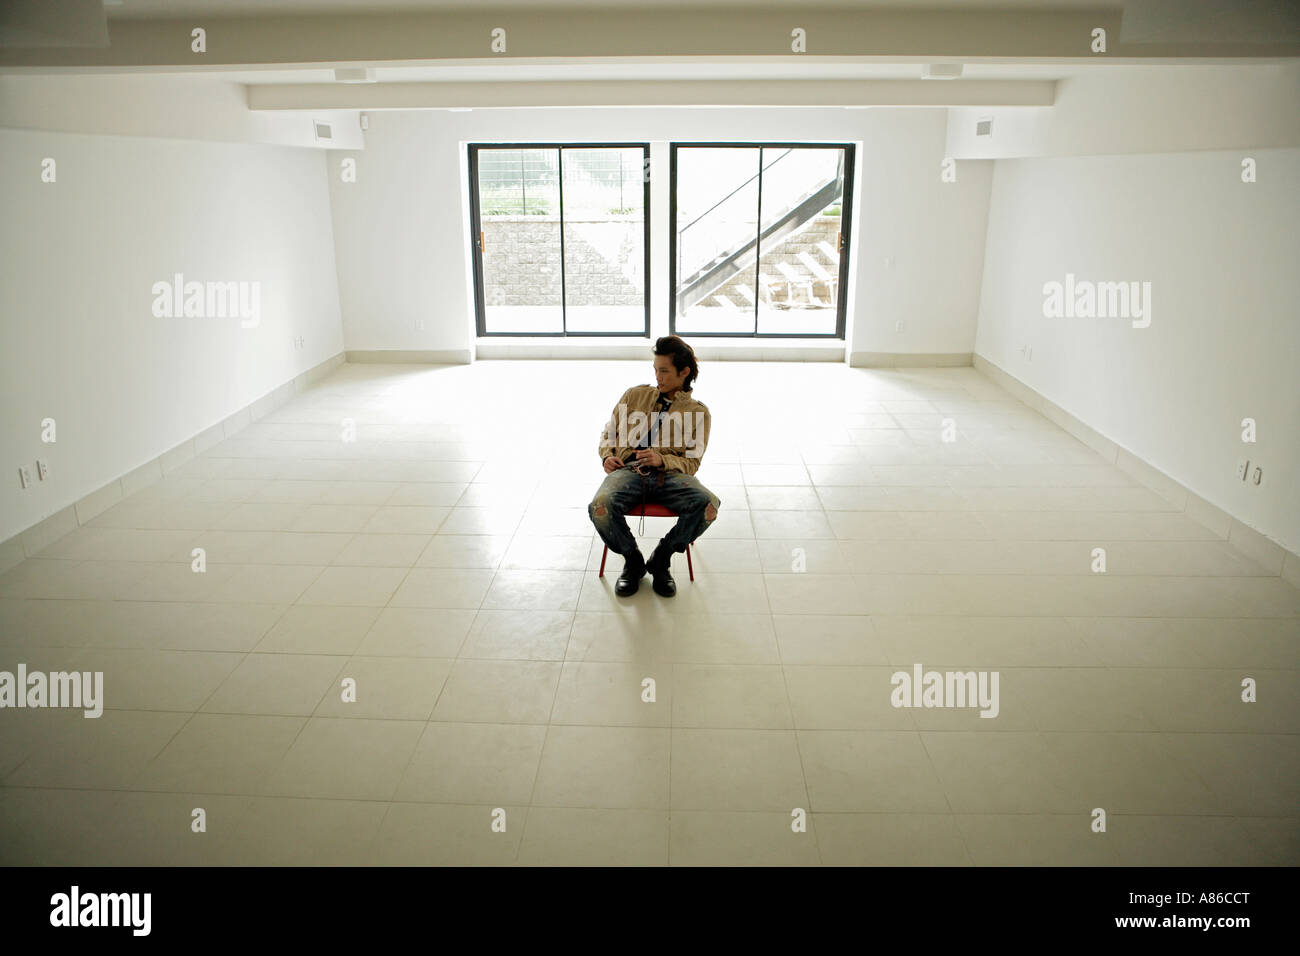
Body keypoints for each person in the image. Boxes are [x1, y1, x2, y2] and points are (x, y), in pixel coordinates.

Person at [589, 335, 720, 597]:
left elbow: (692, 463)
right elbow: (610, 432)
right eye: (655, 370)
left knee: (708, 505)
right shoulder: (634, 395)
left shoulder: (698, 412)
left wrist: (664, 460)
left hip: (670, 476)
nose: (657, 377)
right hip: (628, 471)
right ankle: (633, 561)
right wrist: (606, 456)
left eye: (664, 371)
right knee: (600, 507)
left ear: (684, 372)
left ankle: (661, 559)